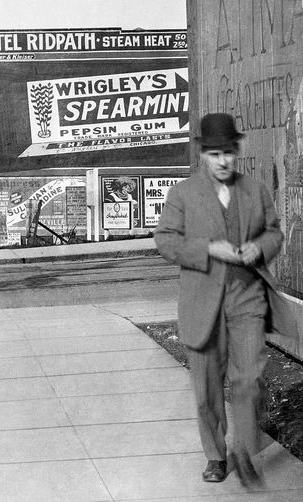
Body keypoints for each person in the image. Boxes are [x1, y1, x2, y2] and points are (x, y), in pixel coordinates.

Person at [154, 113, 297, 489]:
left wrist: (259, 248)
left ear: (238, 151)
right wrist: (208, 248)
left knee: (249, 379)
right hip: (203, 300)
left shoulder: (256, 190)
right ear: (202, 154)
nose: (223, 161)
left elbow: (273, 233)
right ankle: (216, 455)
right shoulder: (183, 194)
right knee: (207, 387)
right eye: (215, 154)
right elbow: (165, 241)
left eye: (229, 153)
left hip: (246, 297)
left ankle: (244, 451)